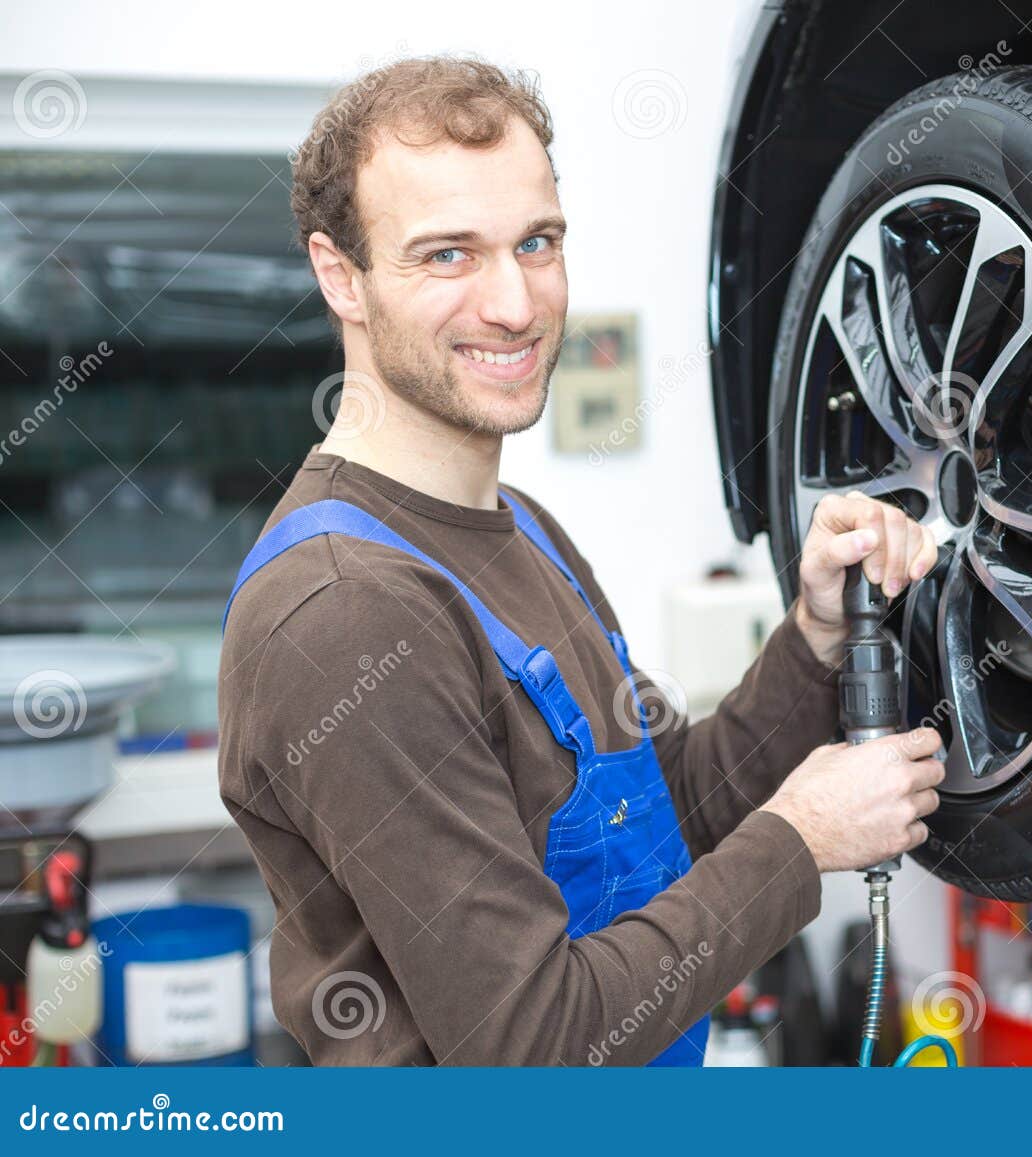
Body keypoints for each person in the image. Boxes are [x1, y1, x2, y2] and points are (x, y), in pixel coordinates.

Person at [217, 55, 943, 1066]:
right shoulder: (347, 611)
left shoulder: (520, 527)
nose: (514, 304)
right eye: (446, 256)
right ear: (341, 274)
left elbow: (667, 814)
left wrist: (814, 633)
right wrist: (800, 843)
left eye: (537, 242)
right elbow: (531, 1042)